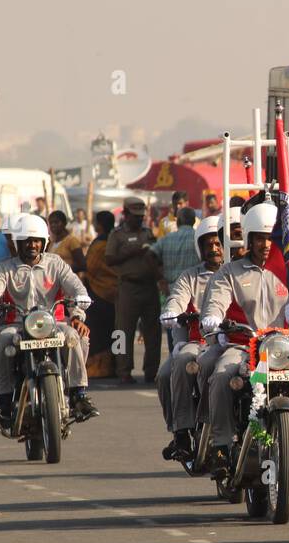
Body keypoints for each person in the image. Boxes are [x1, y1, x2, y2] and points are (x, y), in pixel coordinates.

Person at [197, 203, 289, 471]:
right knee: (223, 375)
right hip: (243, 345)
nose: (265, 244)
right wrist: (213, 317)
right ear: (249, 239)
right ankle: (223, 445)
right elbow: (216, 301)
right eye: (260, 238)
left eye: (271, 238)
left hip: (285, 347)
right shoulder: (230, 272)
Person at [0, 214, 98, 425]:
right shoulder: (4, 268)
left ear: (43, 243)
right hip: (15, 326)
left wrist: (78, 315)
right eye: (26, 241)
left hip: (54, 323)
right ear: (18, 243)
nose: (31, 245)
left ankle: (78, 395)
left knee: (73, 336)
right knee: (3, 341)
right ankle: (3, 401)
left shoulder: (56, 264)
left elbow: (76, 288)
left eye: (36, 241)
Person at [155, 216, 225, 460]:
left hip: (232, 342)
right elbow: (177, 297)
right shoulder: (190, 276)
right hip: (198, 342)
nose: (214, 249)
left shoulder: (234, 272)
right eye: (209, 245)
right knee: (167, 373)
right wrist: (172, 311)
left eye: (219, 243)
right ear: (200, 248)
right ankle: (181, 432)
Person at [105, 197, 164, 385]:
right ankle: (123, 371)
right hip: (127, 287)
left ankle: (151, 371)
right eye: (134, 216)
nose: (138, 220)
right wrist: (132, 251)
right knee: (122, 332)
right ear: (125, 214)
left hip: (149, 286)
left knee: (153, 332)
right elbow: (109, 259)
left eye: (141, 216)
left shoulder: (148, 233)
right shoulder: (116, 235)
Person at [82, 210, 119, 377]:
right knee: (115, 332)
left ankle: (101, 368)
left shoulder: (100, 244)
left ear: (100, 225)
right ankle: (117, 367)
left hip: (99, 293)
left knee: (99, 334)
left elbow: (91, 266)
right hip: (115, 292)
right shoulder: (116, 240)